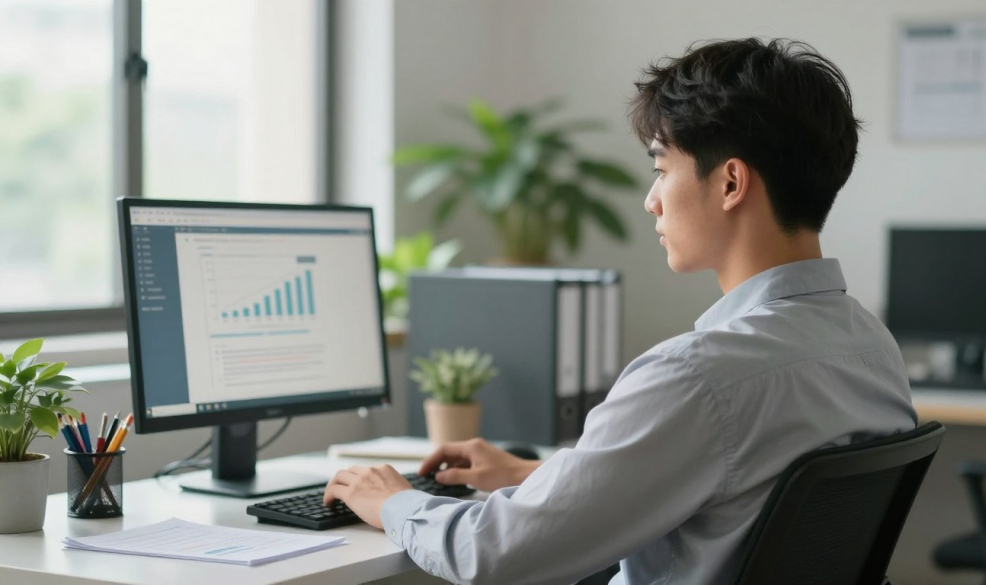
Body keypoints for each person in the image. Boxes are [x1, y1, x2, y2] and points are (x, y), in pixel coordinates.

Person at [324, 38, 918, 584]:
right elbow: (744, 488)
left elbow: (494, 553)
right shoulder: (872, 349)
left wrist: (392, 499)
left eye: (662, 170)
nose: (651, 199)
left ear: (731, 182)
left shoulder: (698, 377)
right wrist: (542, 476)